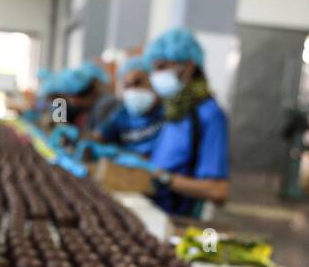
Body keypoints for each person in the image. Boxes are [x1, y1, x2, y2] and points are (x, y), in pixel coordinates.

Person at [144, 27, 230, 216]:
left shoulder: (209, 114)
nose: (156, 76)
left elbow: (218, 191)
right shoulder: (175, 110)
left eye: (162, 67)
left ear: (188, 66)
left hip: (178, 217)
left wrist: (164, 178)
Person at [97, 56, 163, 157]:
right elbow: (99, 137)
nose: (133, 91)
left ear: (154, 80)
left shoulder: (168, 112)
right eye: (127, 86)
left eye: (137, 83)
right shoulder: (121, 115)